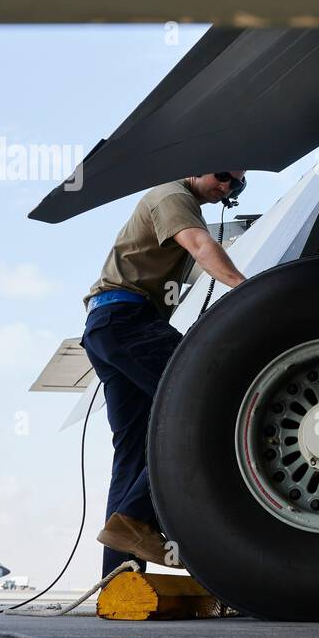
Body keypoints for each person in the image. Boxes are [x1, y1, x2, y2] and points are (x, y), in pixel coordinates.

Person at [81, 173, 247, 575]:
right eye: (223, 177)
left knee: (134, 451)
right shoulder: (172, 194)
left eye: (237, 187)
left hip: (108, 324)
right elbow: (200, 244)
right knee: (209, 404)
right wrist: (247, 289)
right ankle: (136, 519)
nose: (226, 188)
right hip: (129, 320)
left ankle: (119, 576)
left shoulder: (173, 199)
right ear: (195, 168)